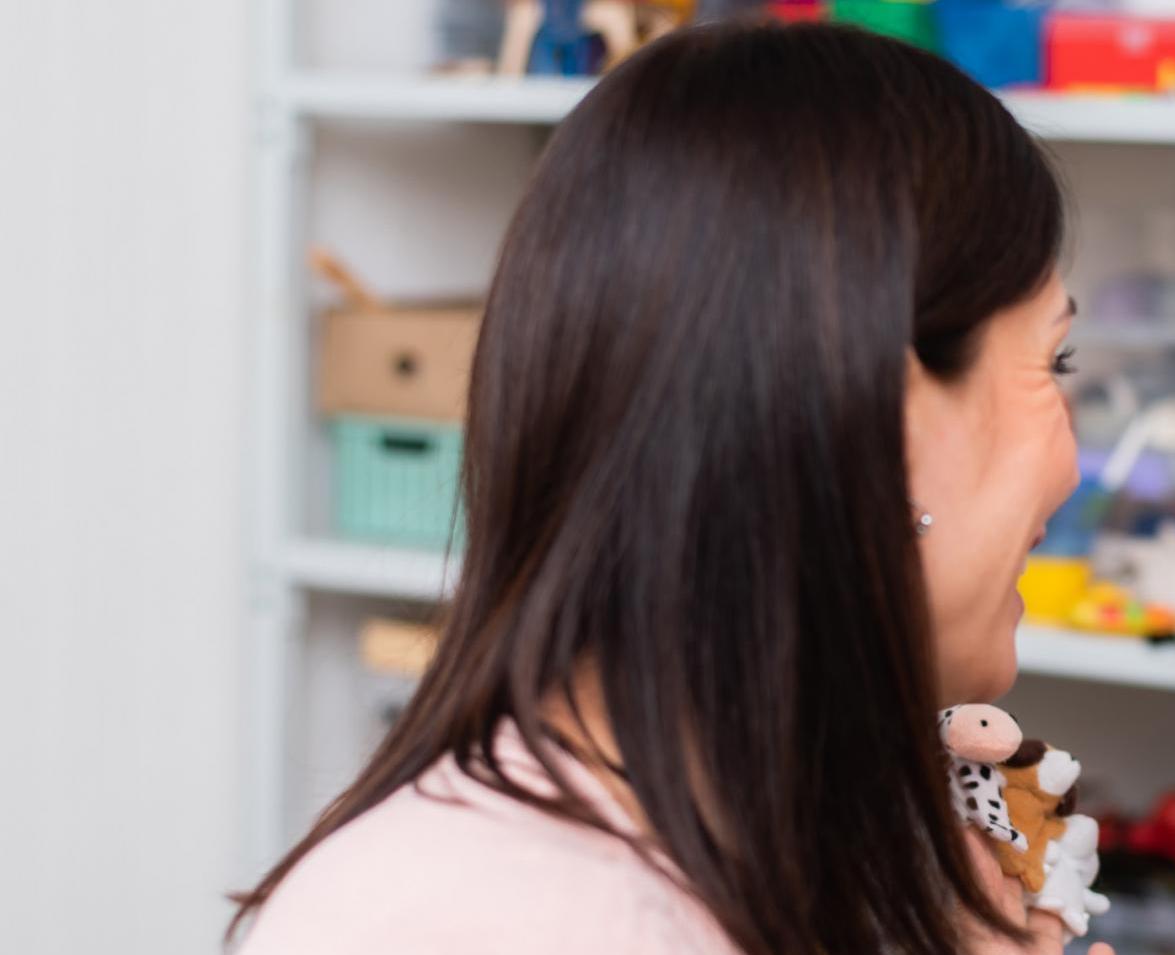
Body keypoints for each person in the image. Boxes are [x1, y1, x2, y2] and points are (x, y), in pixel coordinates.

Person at [231, 21, 1106, 955]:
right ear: (883, 418)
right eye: (1053, 359)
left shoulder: (807, 836)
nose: (1074, 458)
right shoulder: (511, 921)